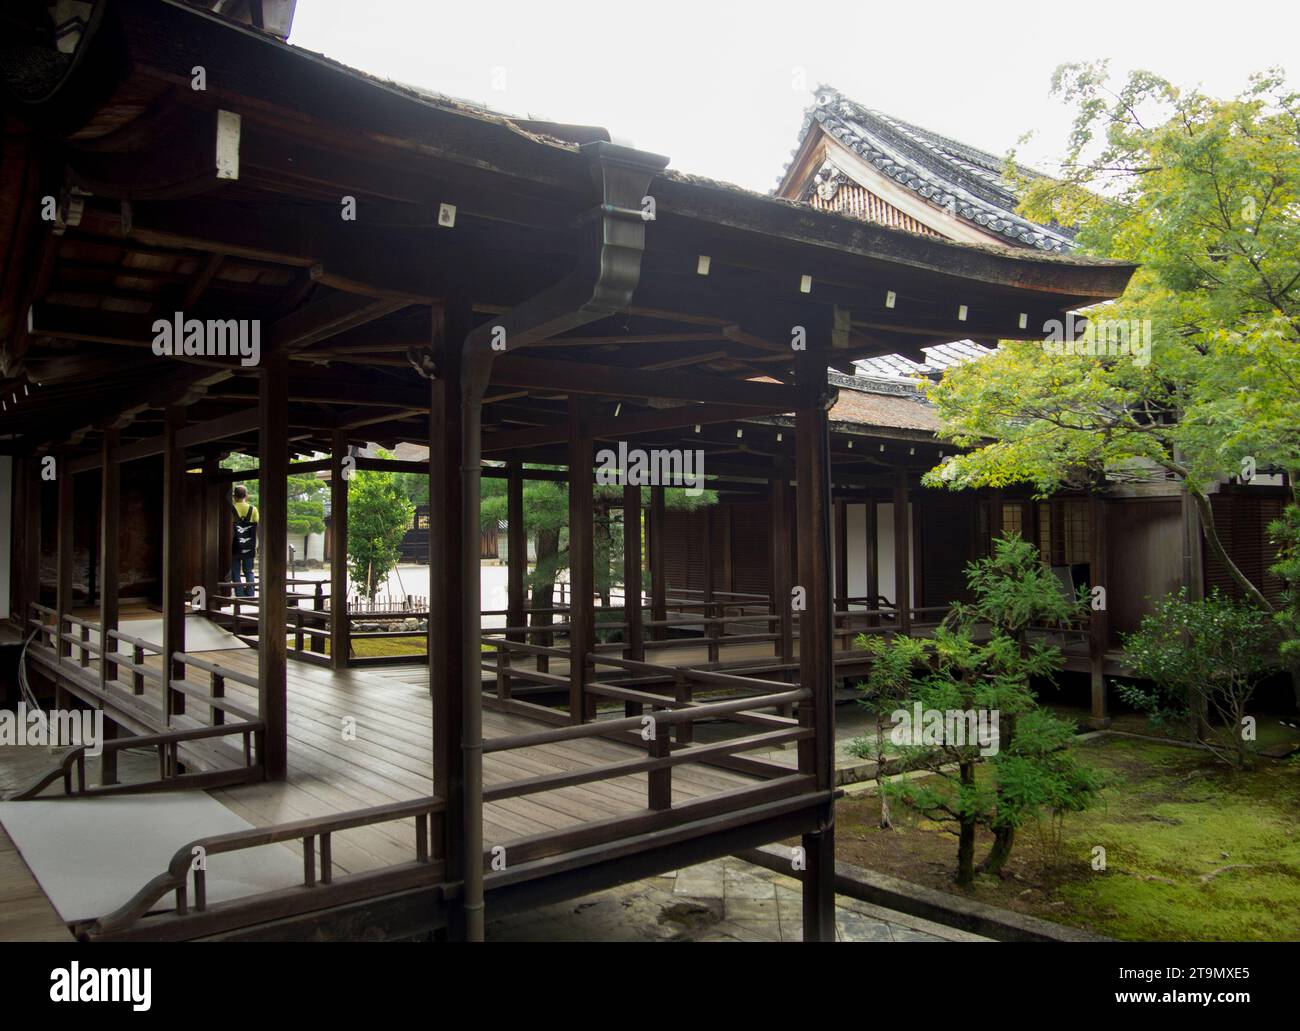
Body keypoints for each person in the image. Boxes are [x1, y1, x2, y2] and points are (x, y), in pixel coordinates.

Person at [230, 484, 259, 598]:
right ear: (246, 495)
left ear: (234, 496)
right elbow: (258, 527)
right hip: (249, 544)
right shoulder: (253, 509)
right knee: (248, 570)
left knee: (235, 571)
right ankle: (250, 593)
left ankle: (240, 594)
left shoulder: (231, 508)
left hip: (235, 544)